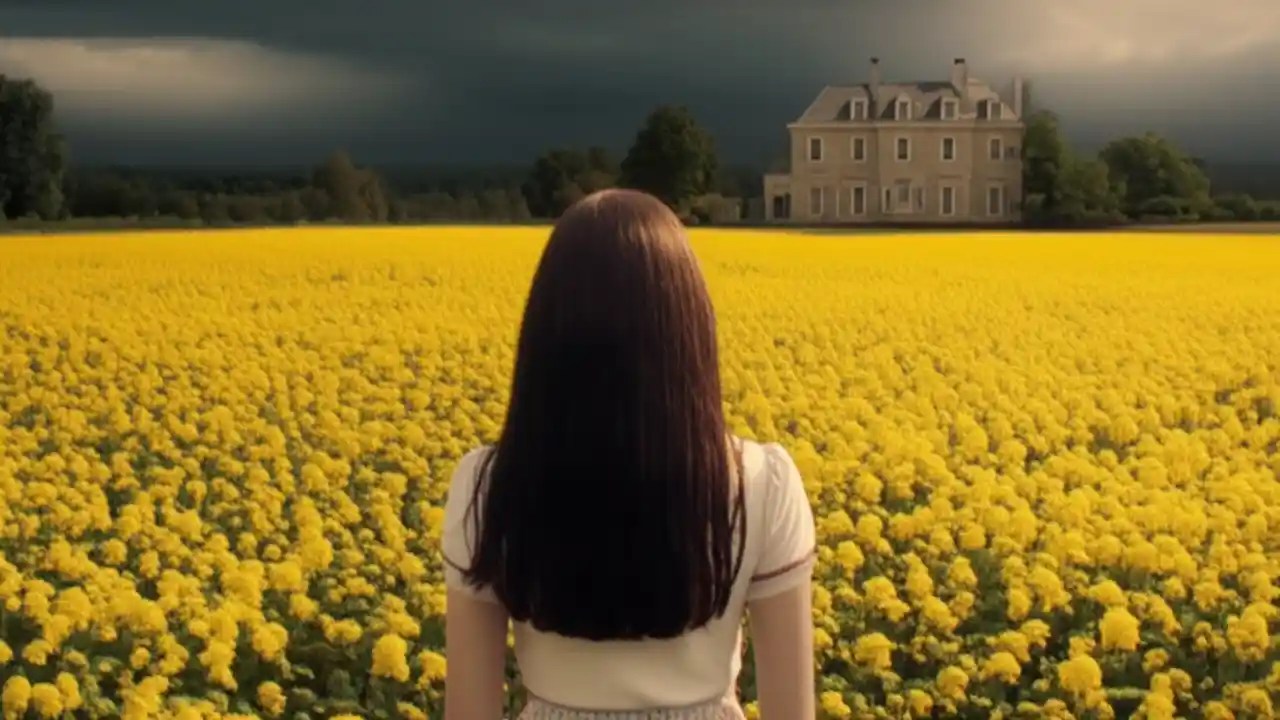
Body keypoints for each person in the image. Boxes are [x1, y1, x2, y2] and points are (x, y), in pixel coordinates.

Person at [442, 189, 817, 720]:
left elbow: (469, 713)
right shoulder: (761, 484)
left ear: (545, 334)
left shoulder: (487, 485)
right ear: (688, 330)